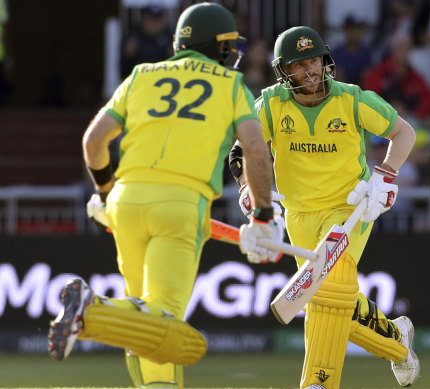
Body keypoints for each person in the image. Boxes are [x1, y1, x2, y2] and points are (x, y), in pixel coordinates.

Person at [48, 3, 281, 389]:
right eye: (228, 46)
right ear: (217, 46)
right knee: (164, 319)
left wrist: (106, 193)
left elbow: (94, 142)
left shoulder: (141, 75)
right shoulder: (230, 85)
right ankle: (93, 311)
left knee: (140, 321)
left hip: (125, 202)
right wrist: (262, 215)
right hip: (181, 204)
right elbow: (256, 150)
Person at [229, 26, 419, 388]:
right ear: (285, 71)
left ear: (325, 60)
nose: (311, 71)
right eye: (300, 65)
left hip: (349, 209)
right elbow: (240, 152)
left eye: (314, 60)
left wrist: (385, 175)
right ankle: (396, 341)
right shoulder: (270, 104)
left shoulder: (353, 99)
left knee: (324, 294)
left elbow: (403, 133)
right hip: (299, 214)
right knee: (332, 298)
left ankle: (318, 382)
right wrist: (248, 191)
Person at [362, 31, 430, 122]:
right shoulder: (378, 73)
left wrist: (416, 113)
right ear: (392, 50)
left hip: (409, 120)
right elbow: (370, 99)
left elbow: (429, 100)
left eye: (407, 49)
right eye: (400, 48)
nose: (404, 52)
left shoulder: (415, 76)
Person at [121, 5, 174, 78]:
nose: (154, 24)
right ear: (144, 20)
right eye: (150, 20)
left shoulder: (170, 37)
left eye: (157, 20)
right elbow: (123, 71)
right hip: (138, 80)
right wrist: (128, 56)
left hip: (164, 80)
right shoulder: (134, 37)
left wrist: (174, 54)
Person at [330, 15, 374, 86]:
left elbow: (367, 79)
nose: (356, 33)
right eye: (353, 29)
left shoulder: (366, 52)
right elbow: (338, 80)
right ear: (346, 31)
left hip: (361, 93)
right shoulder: (337, 53)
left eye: (359, 30)